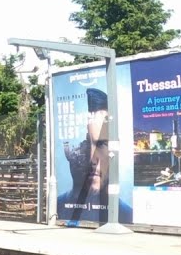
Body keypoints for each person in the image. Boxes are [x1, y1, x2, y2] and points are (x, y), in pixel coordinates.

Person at [57, 87, 133, 224]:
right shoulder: (59, 207)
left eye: (101, 144)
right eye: (87, 142)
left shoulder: (128, 216)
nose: (92, 157)